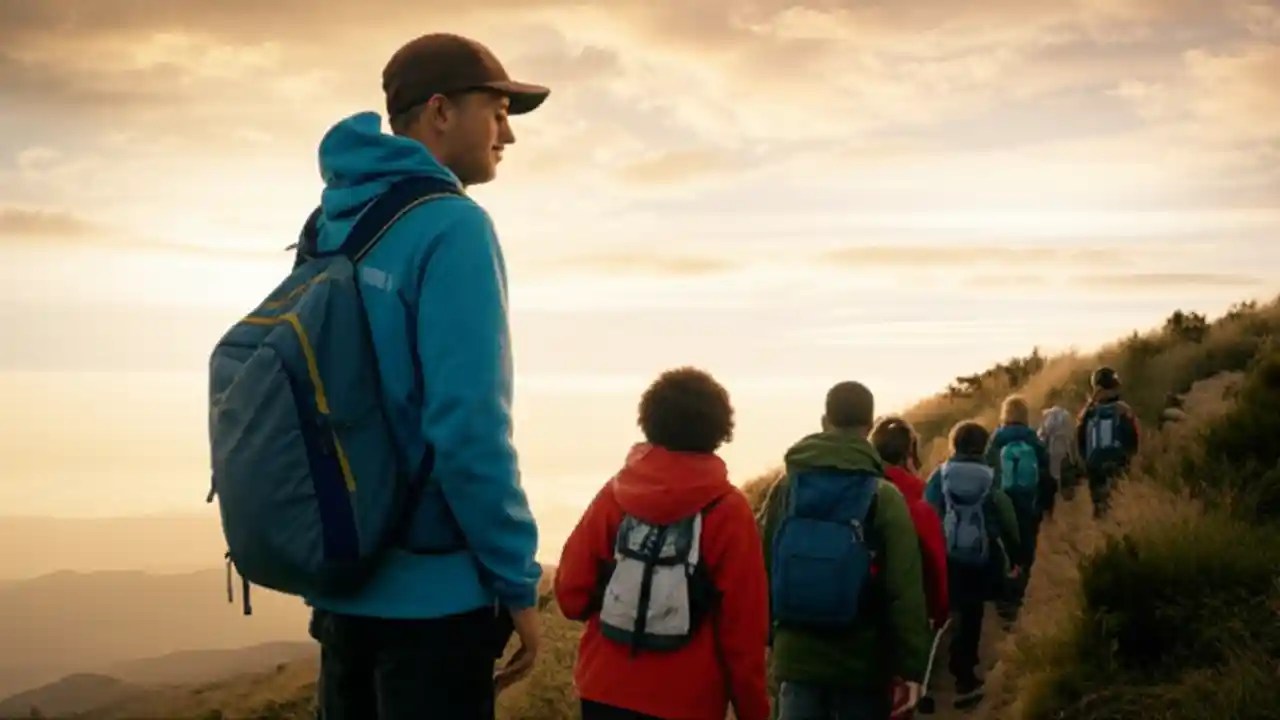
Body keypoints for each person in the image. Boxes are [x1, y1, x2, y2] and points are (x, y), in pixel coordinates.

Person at [302, 33, 550, 720]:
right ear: (441, 112)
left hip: (342, 585)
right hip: (434, 610)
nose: (508, 134)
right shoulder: (453, 228)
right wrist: (517, 579)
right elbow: (468, 429)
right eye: (497, 110)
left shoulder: (332, 223)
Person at [555, 368, 771, 720]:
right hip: (688, 701)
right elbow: (744, 632)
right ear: (720, 430)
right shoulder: (728, 510)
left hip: (604, 689)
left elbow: (570, 594)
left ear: (648, 420)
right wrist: (753, 710)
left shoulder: (616, 495)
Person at [760, 381, 930, 720]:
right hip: (862, 663)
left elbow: (763, 567)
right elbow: (904, 590)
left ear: (824, 421)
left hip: (797, 660)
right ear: (868, 427)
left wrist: (766, 642)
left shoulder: (786, 488)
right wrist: (911, 668)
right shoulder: (884, 496)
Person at [925, 421, 1021, 711]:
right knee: (972, 614)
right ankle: (965, 678)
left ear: (953, 445)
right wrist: (1016, 553)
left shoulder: (939, 476)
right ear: (984, 447)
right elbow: (1005, 516)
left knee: (943, 616)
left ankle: (927, 682)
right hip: (982, 557)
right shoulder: (990, 477)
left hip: (946, 558)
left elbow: (927, 512)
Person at [869, 416, 950, 720]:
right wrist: (938, 617)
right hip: (895, 637)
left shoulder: (854, 493)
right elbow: (937, 574)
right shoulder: (917, 507)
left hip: (833, 632)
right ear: (909, 455)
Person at [984, 396, 1051, 623]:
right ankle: (1018, 598)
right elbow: (1046, 476)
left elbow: (987, 475)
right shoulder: (1034, 441)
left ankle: (1004, 601)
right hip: (1028, 507)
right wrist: (1044, 506)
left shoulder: (995, 441)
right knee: (1025, 552)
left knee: (1004, 551)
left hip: (1002, 505)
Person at [1077, 367, 1142, 519]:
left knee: (1100, 507)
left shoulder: (1088, 413)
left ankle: (1102, 537)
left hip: (1095, 468)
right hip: (1119, 463)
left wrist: (1087, 465)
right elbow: (1133, 439)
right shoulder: (1123, 409)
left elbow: (1080, 443)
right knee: (1120, 506)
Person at [1038, 405, 1082, 502]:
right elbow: (1073, 439)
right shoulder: (1068, 417)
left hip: (1051, 456)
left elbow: (1041, 439)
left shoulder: (1047, 417)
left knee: (1049, 484)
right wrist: (1075, 460)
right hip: (1066, 456)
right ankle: (1067, 494)